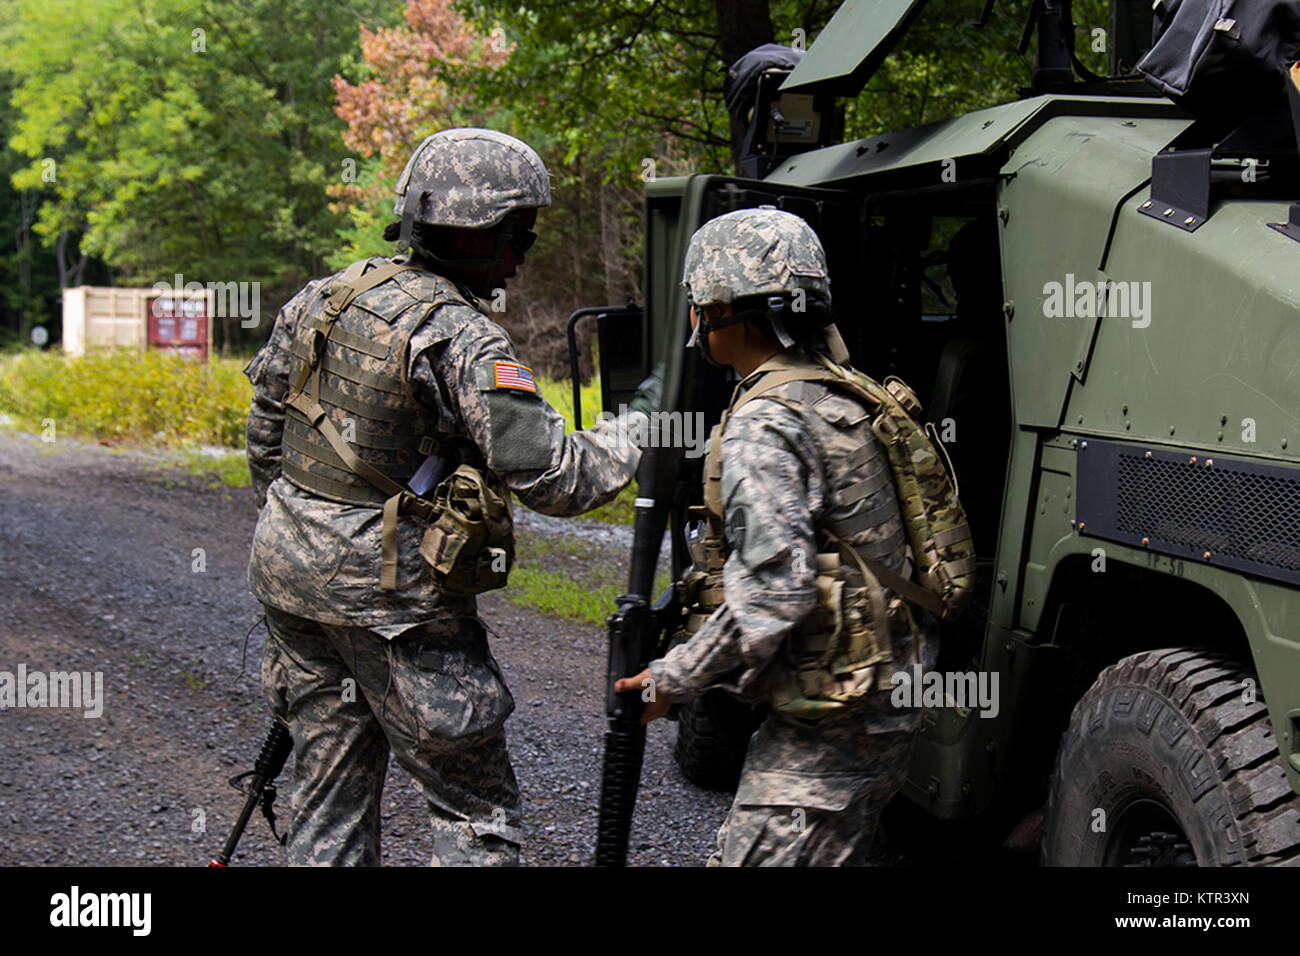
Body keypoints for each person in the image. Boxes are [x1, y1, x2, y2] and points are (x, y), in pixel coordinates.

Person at [244, 128, 656, 866]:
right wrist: (648, 423)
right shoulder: (463, 339)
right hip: (393, 602)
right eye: (519, 235)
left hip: (288, 578)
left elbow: (266, 441)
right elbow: (561, 478)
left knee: (328, 795)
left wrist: (309, 531)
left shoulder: (322, 298)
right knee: (473, 809)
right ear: (481, 236)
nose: (522, 255)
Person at [616, 207, 929, 866]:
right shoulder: (845, 392)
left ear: (727, 309)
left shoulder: (767, 420)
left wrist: (669, 680)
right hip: (884, 697)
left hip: (835, 726)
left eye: (702, 304)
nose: (696, 320)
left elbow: (773, 597)